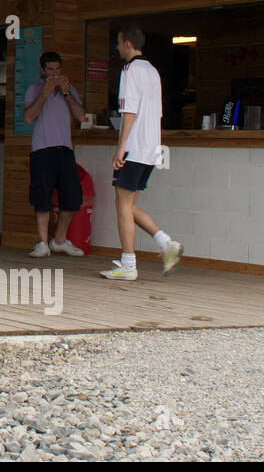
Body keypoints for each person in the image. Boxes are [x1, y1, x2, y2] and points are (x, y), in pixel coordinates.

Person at [103, 23, 182, 281]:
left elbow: (129, 112)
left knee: (123, 205)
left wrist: (120, 147)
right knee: (126, 204)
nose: (116, 48)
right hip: (150, 148)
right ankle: (165, 243)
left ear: (128, 44)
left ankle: (128, 263)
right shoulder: (152, 71)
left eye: (118, 43)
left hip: (134, 148)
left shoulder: (130, 70)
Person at [23, 51, 87, 258]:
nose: (54, 74)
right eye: (50, 70)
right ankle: (42, 243)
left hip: (65, 149)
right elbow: (28, 117)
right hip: (42, 150)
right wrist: (44, 94)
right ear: (42, 70)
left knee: (72, 198)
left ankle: (59, 240)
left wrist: (67, 93)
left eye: (57, 69)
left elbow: (81, 116)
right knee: (42, 198)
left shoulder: (69, 89)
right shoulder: (34, 89)